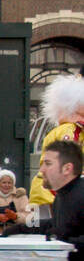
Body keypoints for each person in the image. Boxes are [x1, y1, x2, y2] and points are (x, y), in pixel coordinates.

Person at [29, 72, 84, 208]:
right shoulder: (72, 131)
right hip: (55, 197)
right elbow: (68, 165)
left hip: (46, 196)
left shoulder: (63, 130)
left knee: (43, 227)